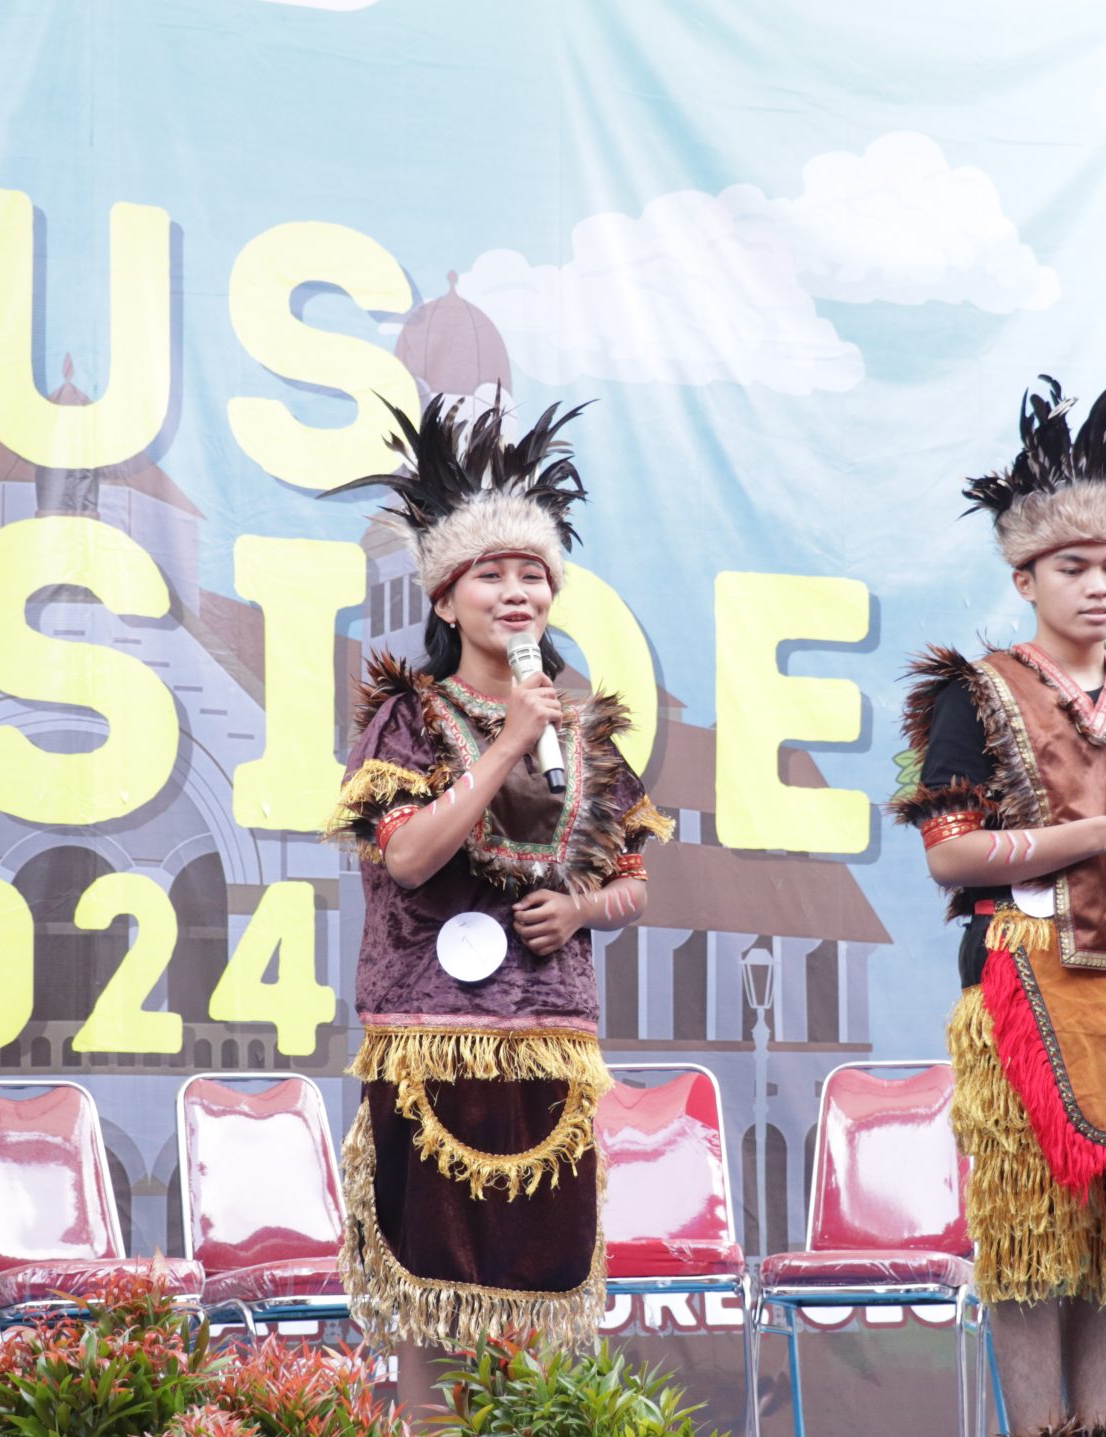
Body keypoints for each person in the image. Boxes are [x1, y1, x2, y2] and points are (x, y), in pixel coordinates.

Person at [893, 372, 1106, 1437]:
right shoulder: (978, 689)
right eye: (1073, 567)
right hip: (1023, 976)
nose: (1098, 586)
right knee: (1030, 1237)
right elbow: (949, 855)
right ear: (1024, 574)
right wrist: (1098, 833)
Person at [324, 395, 671, 1392]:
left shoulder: (586, 732)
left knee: (532, 1309)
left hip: (549, 1041)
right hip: (433, 1038)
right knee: (436, 1298)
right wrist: (510, 741)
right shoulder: (406, 717)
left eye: (532, 573)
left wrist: (581, 910)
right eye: (490, 573)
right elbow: (406, 857)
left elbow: (633, 881)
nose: (515, 591)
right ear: (445, 600)